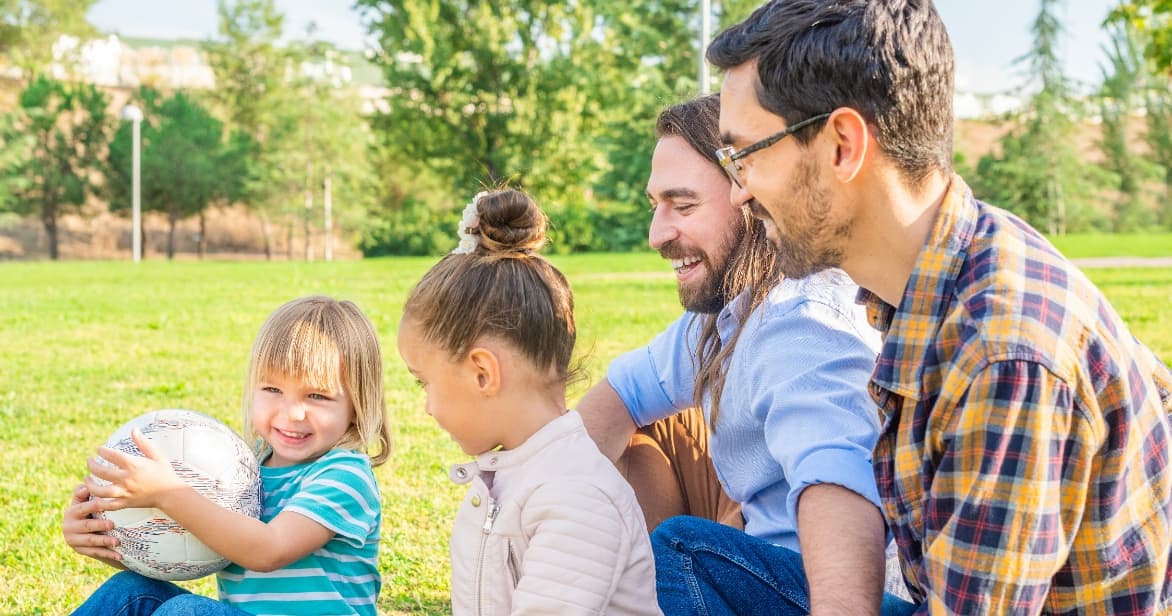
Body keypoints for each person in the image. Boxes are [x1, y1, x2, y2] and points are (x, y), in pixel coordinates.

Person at [708, 1, 1172, 614]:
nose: (738, 192)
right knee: (691, 553)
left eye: (745, 156)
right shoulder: (944, 271)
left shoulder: (1001, 355)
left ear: (843, 145)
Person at [578, 94, 899, 616]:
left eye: (683, 206)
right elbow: (623, 394)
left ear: (750, 194)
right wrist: (533, 503)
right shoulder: (729, 314)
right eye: (655, 205)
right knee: (648, 443)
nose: (657, 234)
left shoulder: (801, 321)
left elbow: (841, 481)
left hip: (839, 593)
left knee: (682, 549)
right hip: (774, 574)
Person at [397, 188, 660, 615]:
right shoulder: (514, 475)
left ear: (483, 373)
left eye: (424, 382)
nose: (427, 407)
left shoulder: (576, 496)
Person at [63, 295, 391, 616]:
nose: (292, 413)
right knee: (131, 591)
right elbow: (188, 552)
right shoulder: (240, 470)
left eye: (317, 396)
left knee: (186, 611)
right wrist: (101, 540)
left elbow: (269, 550)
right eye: (273, 390)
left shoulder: (345, 476)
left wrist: (169, 493)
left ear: (357, 404)